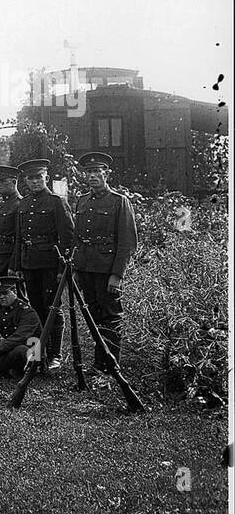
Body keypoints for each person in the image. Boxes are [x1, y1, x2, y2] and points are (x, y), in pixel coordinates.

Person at [71, 151, 139, 377]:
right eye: (89, 172)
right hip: (86, 268)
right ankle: (99, 362)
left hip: (107, 269)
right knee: (92, 315)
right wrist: (76, 269)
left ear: (106, 174)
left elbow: (128, 242)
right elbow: (77, 238)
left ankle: (111, 364)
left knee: (110, 315)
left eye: (96, 172)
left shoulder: (120, 202)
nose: (92, 176)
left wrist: (117, 275)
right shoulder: (82, 201)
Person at [10, 157, 74, 372]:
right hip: (29, 263)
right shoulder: (24, 203)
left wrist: (62, 269)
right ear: (25, 181)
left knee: (53, 308)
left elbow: (67, 237)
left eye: (38, 177)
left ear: (46, 177)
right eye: (30, 178)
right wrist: (17, 265)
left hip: (49, 263)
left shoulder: (56, 202)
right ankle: (36, 353)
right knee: (34, 309)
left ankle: (55, 354)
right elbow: (19, 238)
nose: (35, 181)